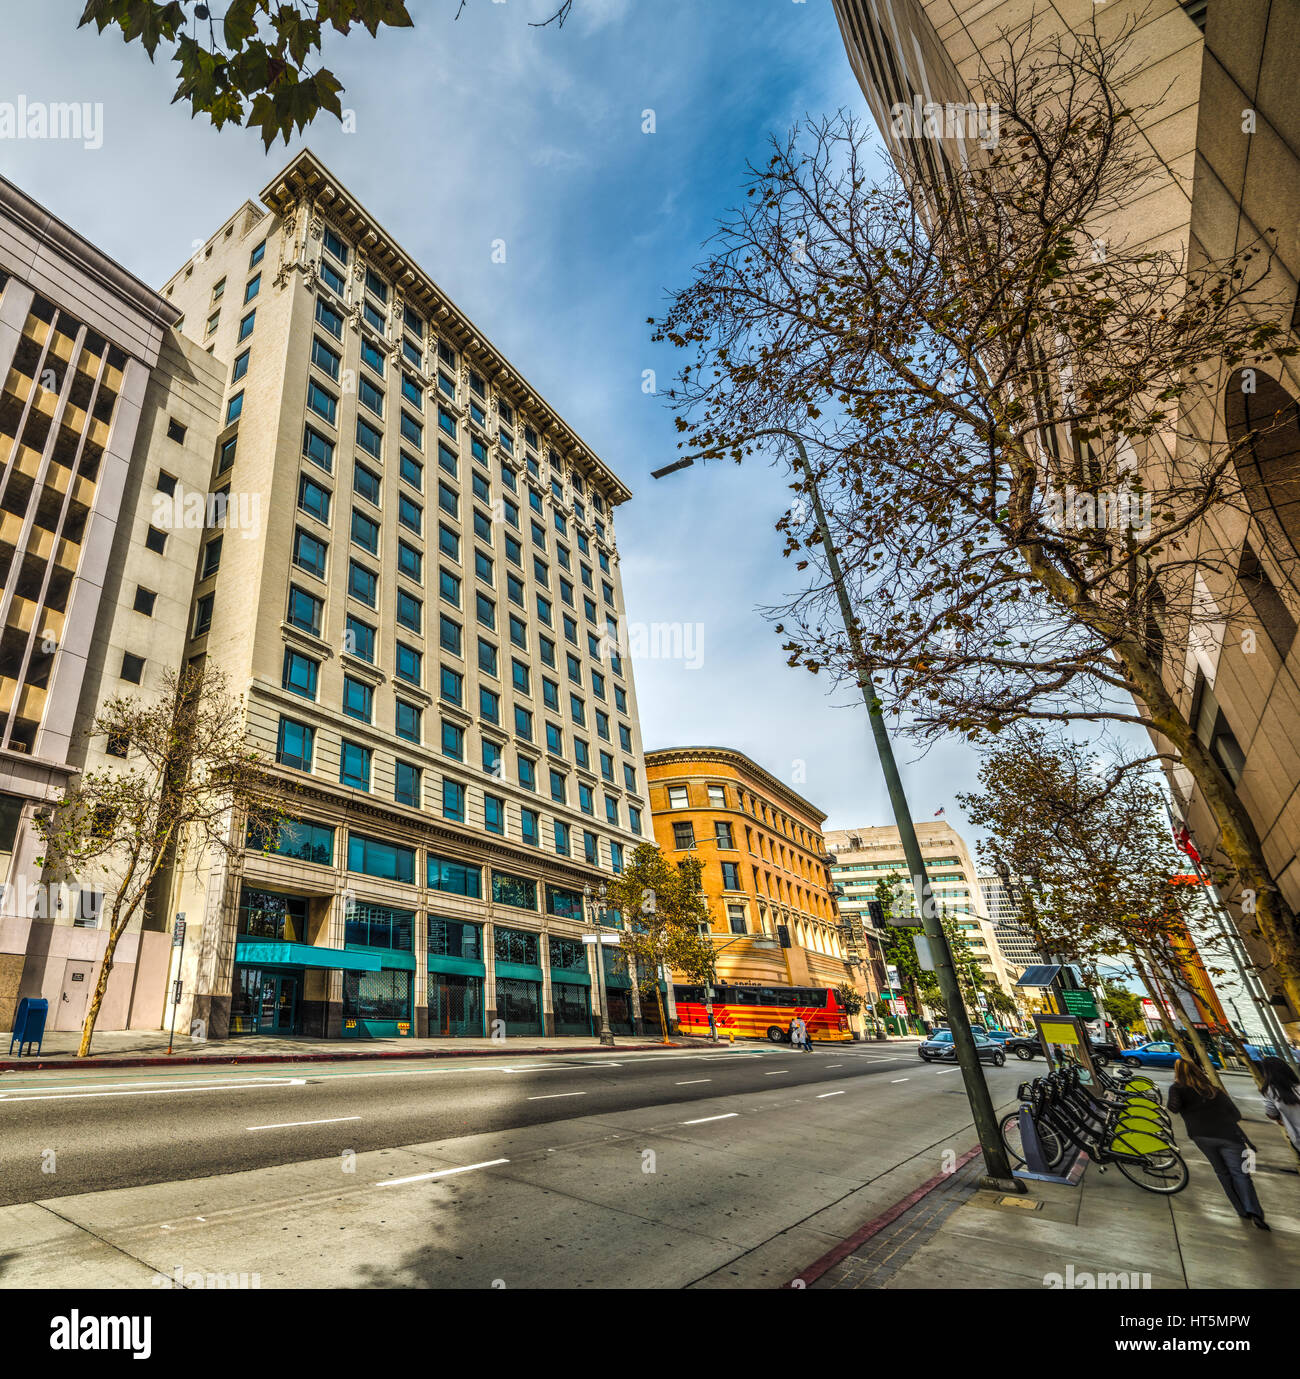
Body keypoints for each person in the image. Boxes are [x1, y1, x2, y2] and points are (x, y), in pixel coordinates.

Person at [1167, 1059, 1269, 1230]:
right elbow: (1236, 1115)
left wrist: (1176, 1086)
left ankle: (1241, 1210)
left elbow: (1173, 1108)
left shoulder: (1177, 1089)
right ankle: (1254, 1211)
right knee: (1242, 1174)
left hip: (1201, 1137)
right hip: (1230, 1137)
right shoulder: (1213, 1090)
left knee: (1222, 1173)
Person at [1259, 1056, 1300, 1151]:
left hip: (1297, 1138)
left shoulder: (1270, 1091)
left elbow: (1271, 1114)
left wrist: (1280, 1118)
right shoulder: (1297, 1086)